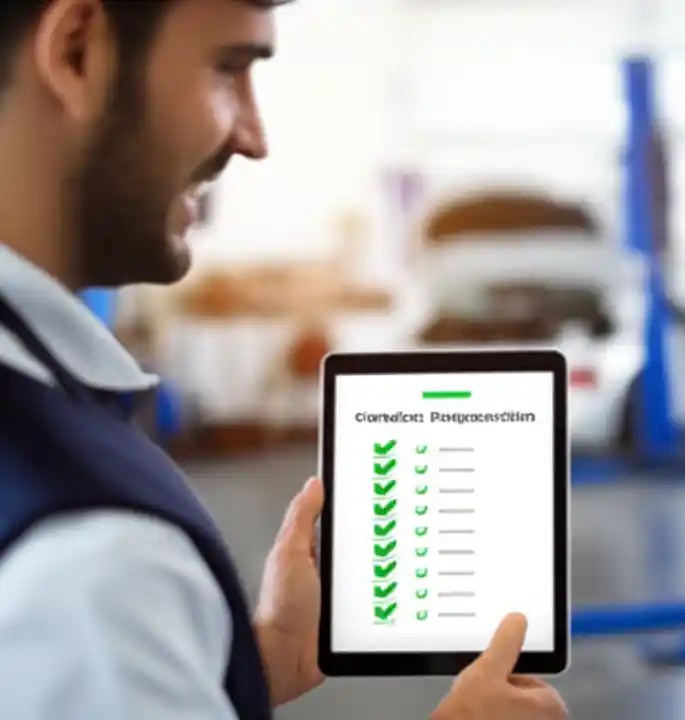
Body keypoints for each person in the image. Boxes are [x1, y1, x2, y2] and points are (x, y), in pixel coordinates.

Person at [0, 1, 567, 719]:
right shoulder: (91, 563)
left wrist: (244, 665)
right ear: (78, 50)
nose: (254, 135)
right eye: (228, 69)